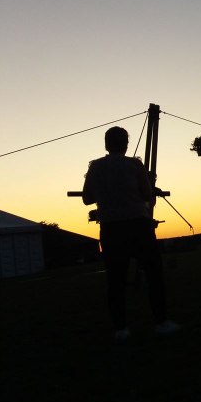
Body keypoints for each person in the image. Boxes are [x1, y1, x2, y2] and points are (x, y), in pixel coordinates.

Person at [82, 126, 179, 343]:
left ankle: (121, 329)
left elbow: (87, 199)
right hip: (138, 224)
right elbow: (146, 194)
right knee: (153, 274)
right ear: (126, 144)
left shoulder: (95, 166)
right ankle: (161, 322)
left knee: (115, 279)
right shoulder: (135, 165)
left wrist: (106, 193)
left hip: (111, 228)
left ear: (106, 144)